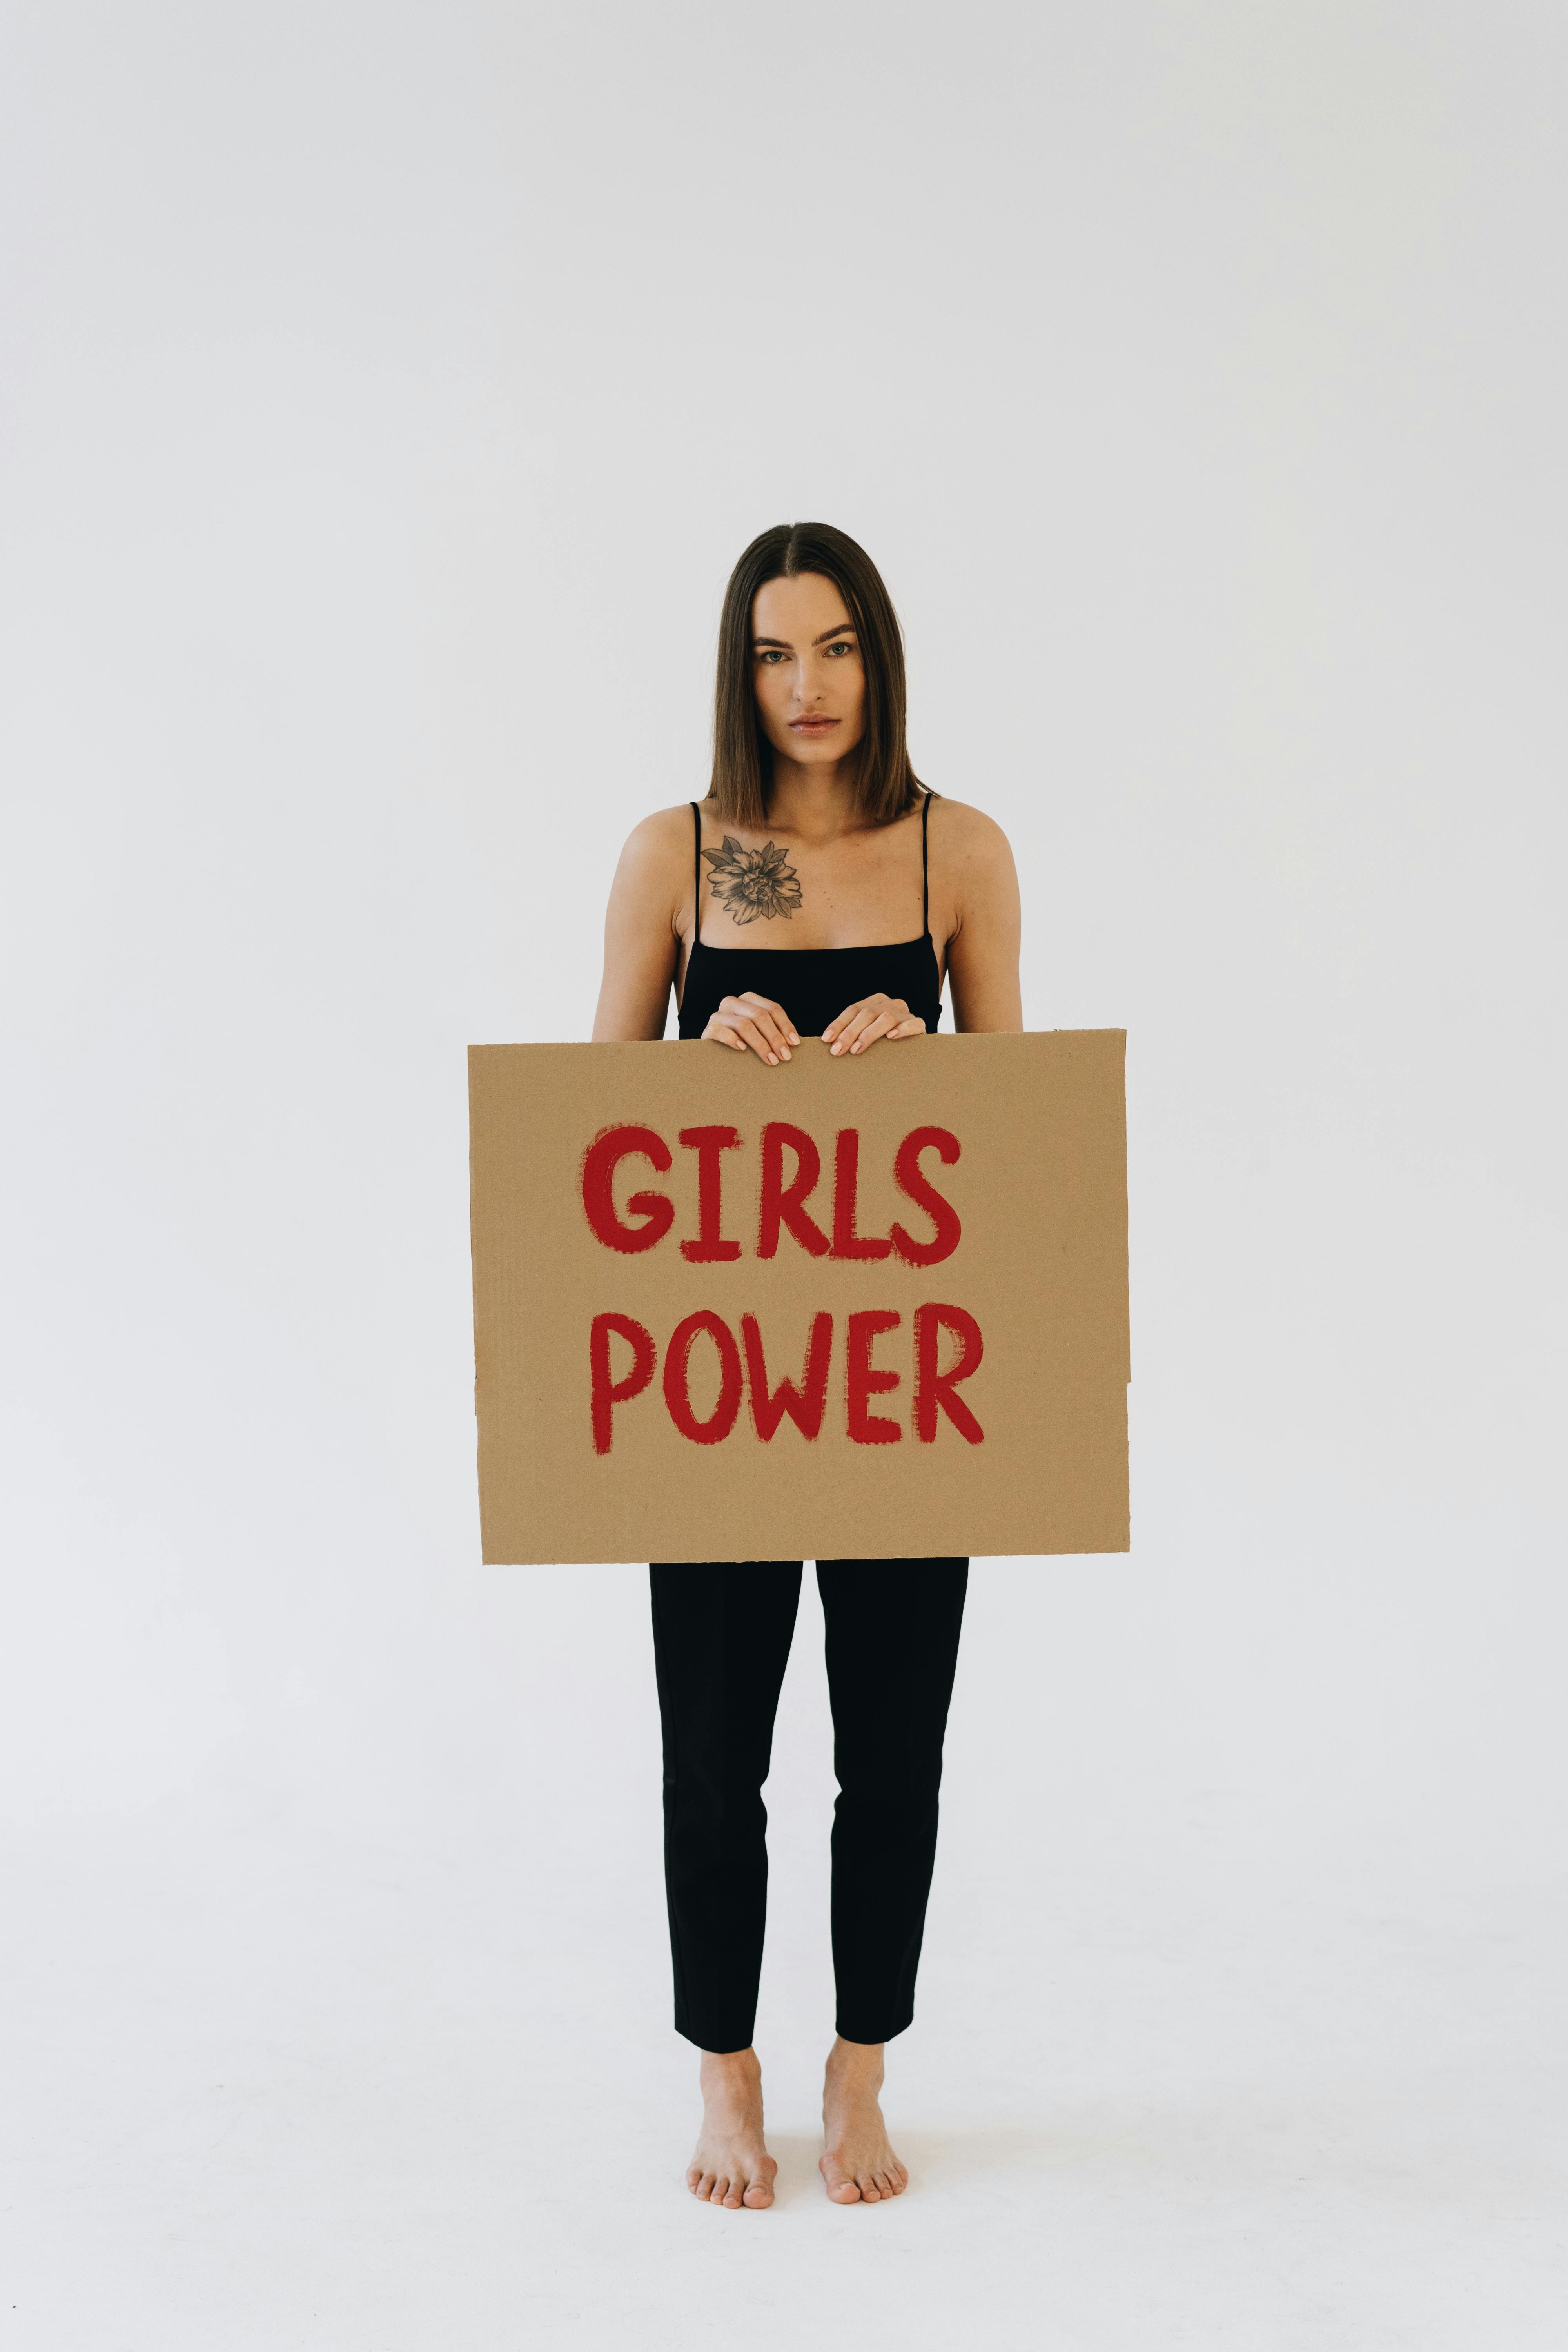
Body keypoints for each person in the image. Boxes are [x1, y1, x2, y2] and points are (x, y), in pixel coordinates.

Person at [592, 521, 1022, 2208]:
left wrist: (928, 1064)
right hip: (719, 1379)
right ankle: (726, 2075)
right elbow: (589, 1125)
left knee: (890, 1747)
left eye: (834, 647)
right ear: (737, 671)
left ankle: (858, 2075)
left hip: (896, 1375)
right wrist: (703, 1063)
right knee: (714, 1746)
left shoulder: (949, 857)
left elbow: (1020, 1144)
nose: (808, 685)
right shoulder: (697, 857)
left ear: (879, 656)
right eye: (775, 653)